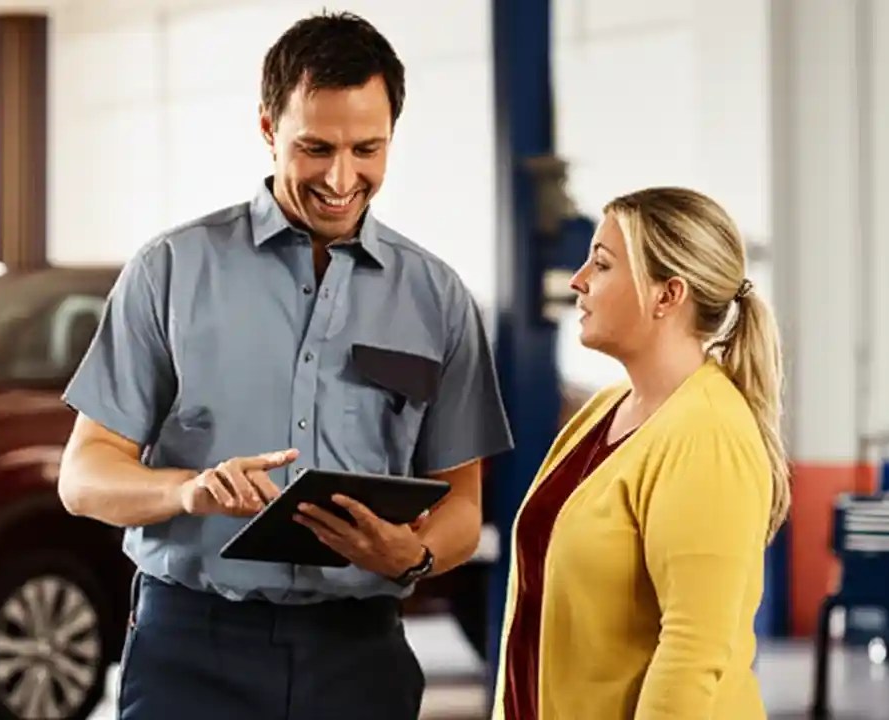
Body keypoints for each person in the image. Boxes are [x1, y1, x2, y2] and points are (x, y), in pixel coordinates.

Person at [56, 11, 513, 720]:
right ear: (269, 129)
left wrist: (412, 556)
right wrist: (188, 492)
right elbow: (84, 477)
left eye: (367, 149)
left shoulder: (438, 299)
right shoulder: (171, 271)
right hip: (191, 647)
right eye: (315, 147)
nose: (341, 177)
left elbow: (462, 506)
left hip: (360, 655)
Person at [491, 187, 790, 719]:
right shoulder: (603, 410)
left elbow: (692, 653)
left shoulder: (708, 435)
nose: (578, 279)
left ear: (667, 295)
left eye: (602, 264)